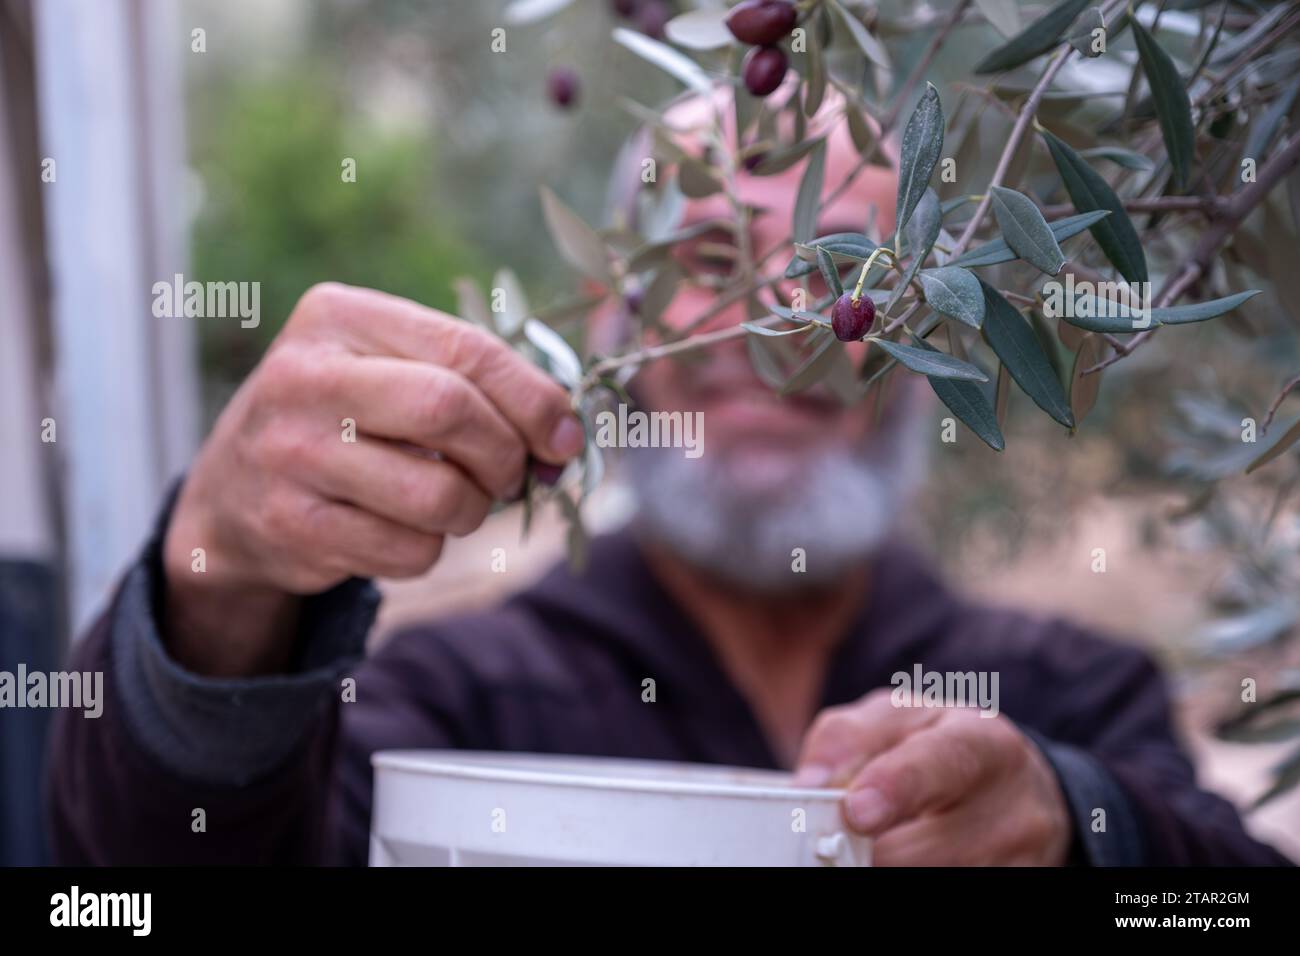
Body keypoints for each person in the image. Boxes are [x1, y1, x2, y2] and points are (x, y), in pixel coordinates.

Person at [45, 88, 1290, 867]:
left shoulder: (1069, 690)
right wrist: (216, 588)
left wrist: (1077, 821)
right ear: (611, 315)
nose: (778, 329)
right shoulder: (452, 700)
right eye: (714, 255)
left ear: (928, 340)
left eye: (841, 267)